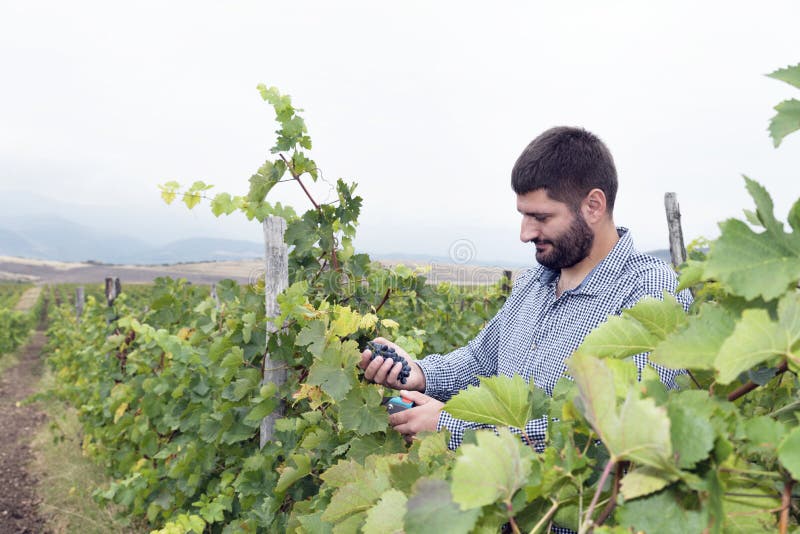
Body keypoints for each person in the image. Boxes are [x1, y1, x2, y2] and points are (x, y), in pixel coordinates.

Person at [359, 126, 692, 450]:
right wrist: (420, 374)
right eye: (523, 215)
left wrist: (451, 428)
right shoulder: (534, 282)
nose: (525, 233)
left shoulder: (653, 291)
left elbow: (616, 428)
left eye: (541, 217)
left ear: (593, 206)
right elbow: (480, 359)